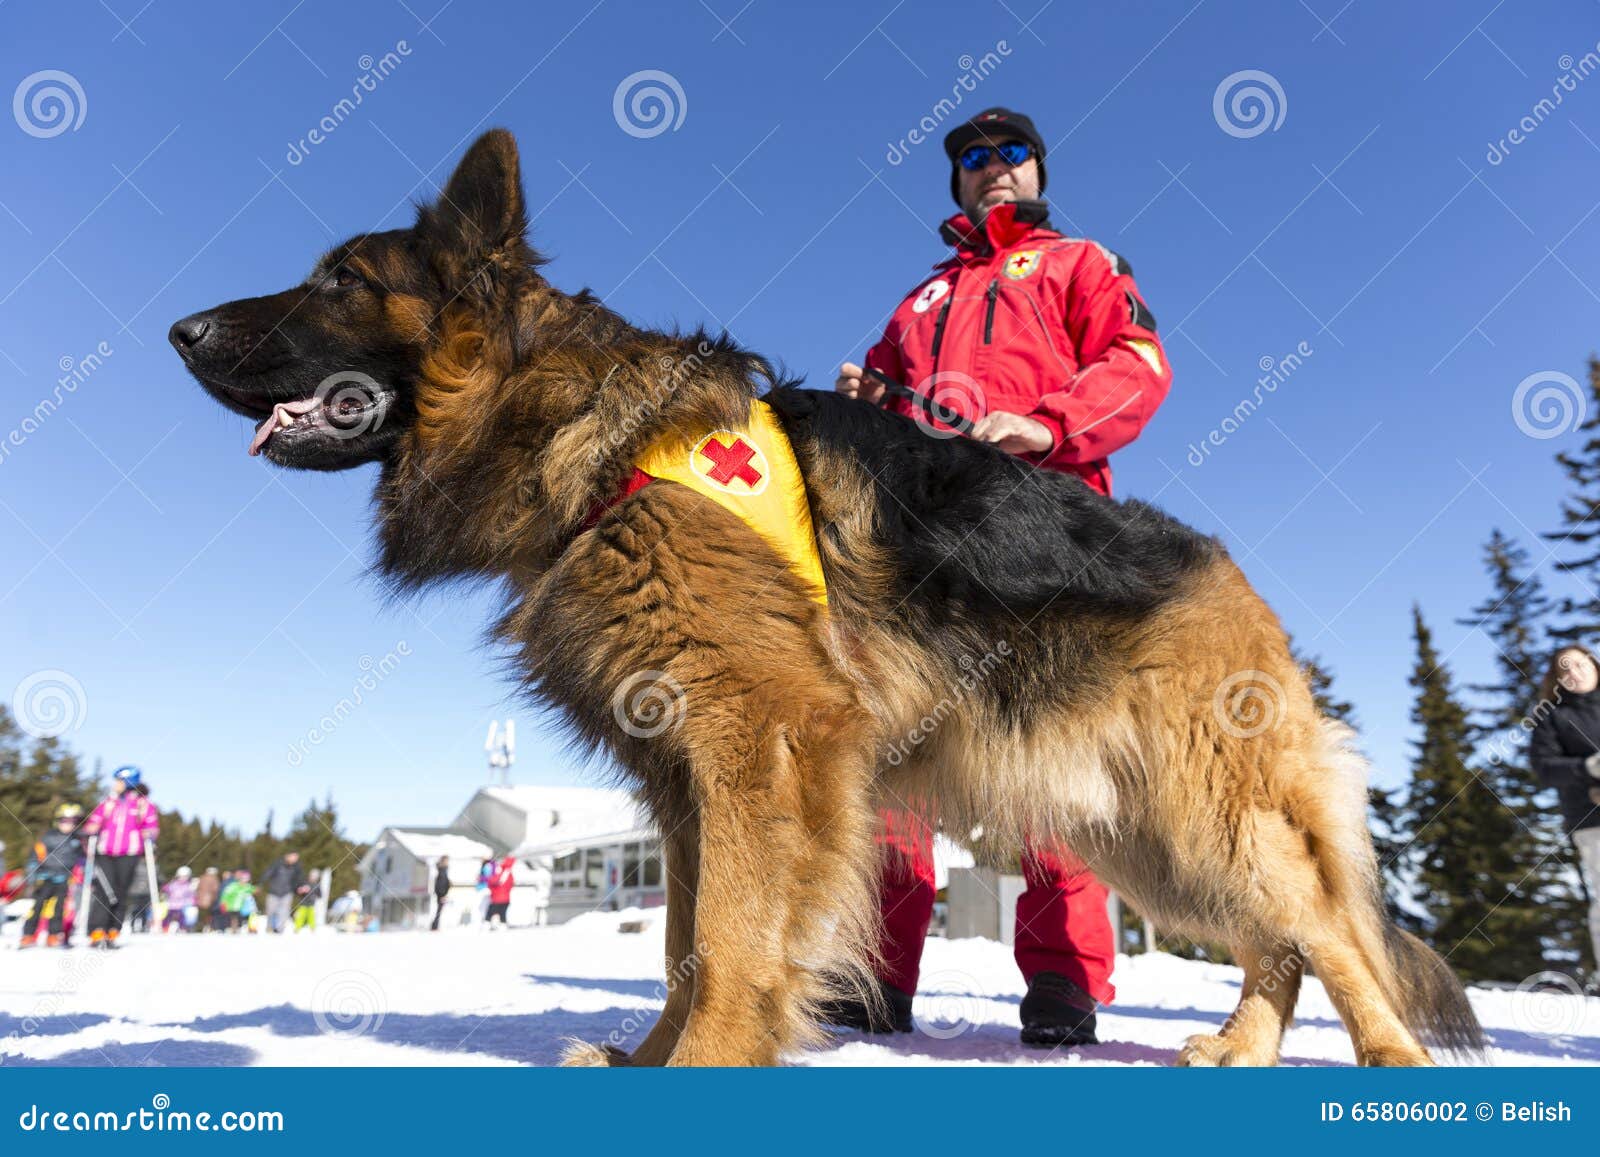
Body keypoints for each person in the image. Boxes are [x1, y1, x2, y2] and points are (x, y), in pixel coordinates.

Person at [833, 107, 1172, 1045]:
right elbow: (893, 410)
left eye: (1010, 152)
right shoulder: (920, 304)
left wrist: (1049, 423)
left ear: (1037, 169)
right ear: (955, 183)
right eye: (972, 158)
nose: (992, 167)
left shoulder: (1080, 263)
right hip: (923, 547)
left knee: (1046, 756)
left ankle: (1062, 981)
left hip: (1047, 527)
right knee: (894, 747)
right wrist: (867, 401)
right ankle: (872, 974)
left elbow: (1137, 363)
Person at [1530, 645, 1600, 982]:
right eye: (1565, 670)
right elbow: (1544, 768)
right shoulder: (1551, 717)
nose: (1575, 672)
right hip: (1592, 818)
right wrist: (1588, 767)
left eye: (1580, 664)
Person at [81, 766, 159, 950]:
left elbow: (152, 824)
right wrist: (91, 827)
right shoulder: (109, 802)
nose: (116, 784)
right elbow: (95, 819)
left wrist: (150, 833)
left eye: (119, 781)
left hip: (130, 853)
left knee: (120, 892)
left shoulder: (143, 804)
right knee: (105, 889)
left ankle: (113, 930)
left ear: (129, 782)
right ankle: (96, 930)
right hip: (105, 852)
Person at [20, 804, 84, 948]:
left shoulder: (77, 840)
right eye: (64, 821)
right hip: (45, 878)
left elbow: (81, 859)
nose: (68, 825)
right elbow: (35, 856)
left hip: (63, 879)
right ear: (58, 821)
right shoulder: (48, 837)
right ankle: (28, 935)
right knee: (36, 907)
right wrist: (32, 874)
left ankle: (54, 935)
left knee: (59, 908)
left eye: (72, 822)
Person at [262, 851, 306, 933]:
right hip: (273, 892)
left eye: (297, 857)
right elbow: (268, 873)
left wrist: (301, 886)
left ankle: (280, 929)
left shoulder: (297, 867)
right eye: (294, 856)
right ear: (288, 856)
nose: (296, 859)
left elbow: (300, 879)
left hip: (287, 892)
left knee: (284, 911)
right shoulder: (278, 864)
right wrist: (261, 883)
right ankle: (270, 927)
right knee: (271, 911)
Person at [162, 866, 197, 933]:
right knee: (168, 917)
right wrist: (165, 890)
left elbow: (191, 896)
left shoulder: (189, 886)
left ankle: (183, 928)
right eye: (181, 876)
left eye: (185, 876)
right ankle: (165, 928)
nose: (183, 878)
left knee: (182, 918)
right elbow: (166, 889)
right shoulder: (173, 884)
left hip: (182, 906)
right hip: (172, 905)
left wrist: (192, 901)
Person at [484, 855, 515, 928]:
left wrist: (489, 883)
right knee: (502, 914)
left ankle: (487, 926)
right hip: (506, 898)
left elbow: (494, 881)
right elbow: (510, 884)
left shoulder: (502, 872)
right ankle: (502, 926)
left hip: (497, 898)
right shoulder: (509, 873)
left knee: (490, 913)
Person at [194, 867, 221, 933]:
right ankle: (210, 927)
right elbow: (216, 889)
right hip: (210, 899)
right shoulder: (214, 879)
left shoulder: (202, 878)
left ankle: (199, 928)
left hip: (200, 900)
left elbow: (197, 888)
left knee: (201, 915)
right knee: (210, 914)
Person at [431, 855, 451, 931]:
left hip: (442, 892)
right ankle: (435, 926)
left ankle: (435, 925)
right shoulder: (442, 870)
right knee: (439, 910)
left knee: (439, 910)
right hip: (441, 893)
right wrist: (443, 893)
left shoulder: (443, 869)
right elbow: (441, 883)